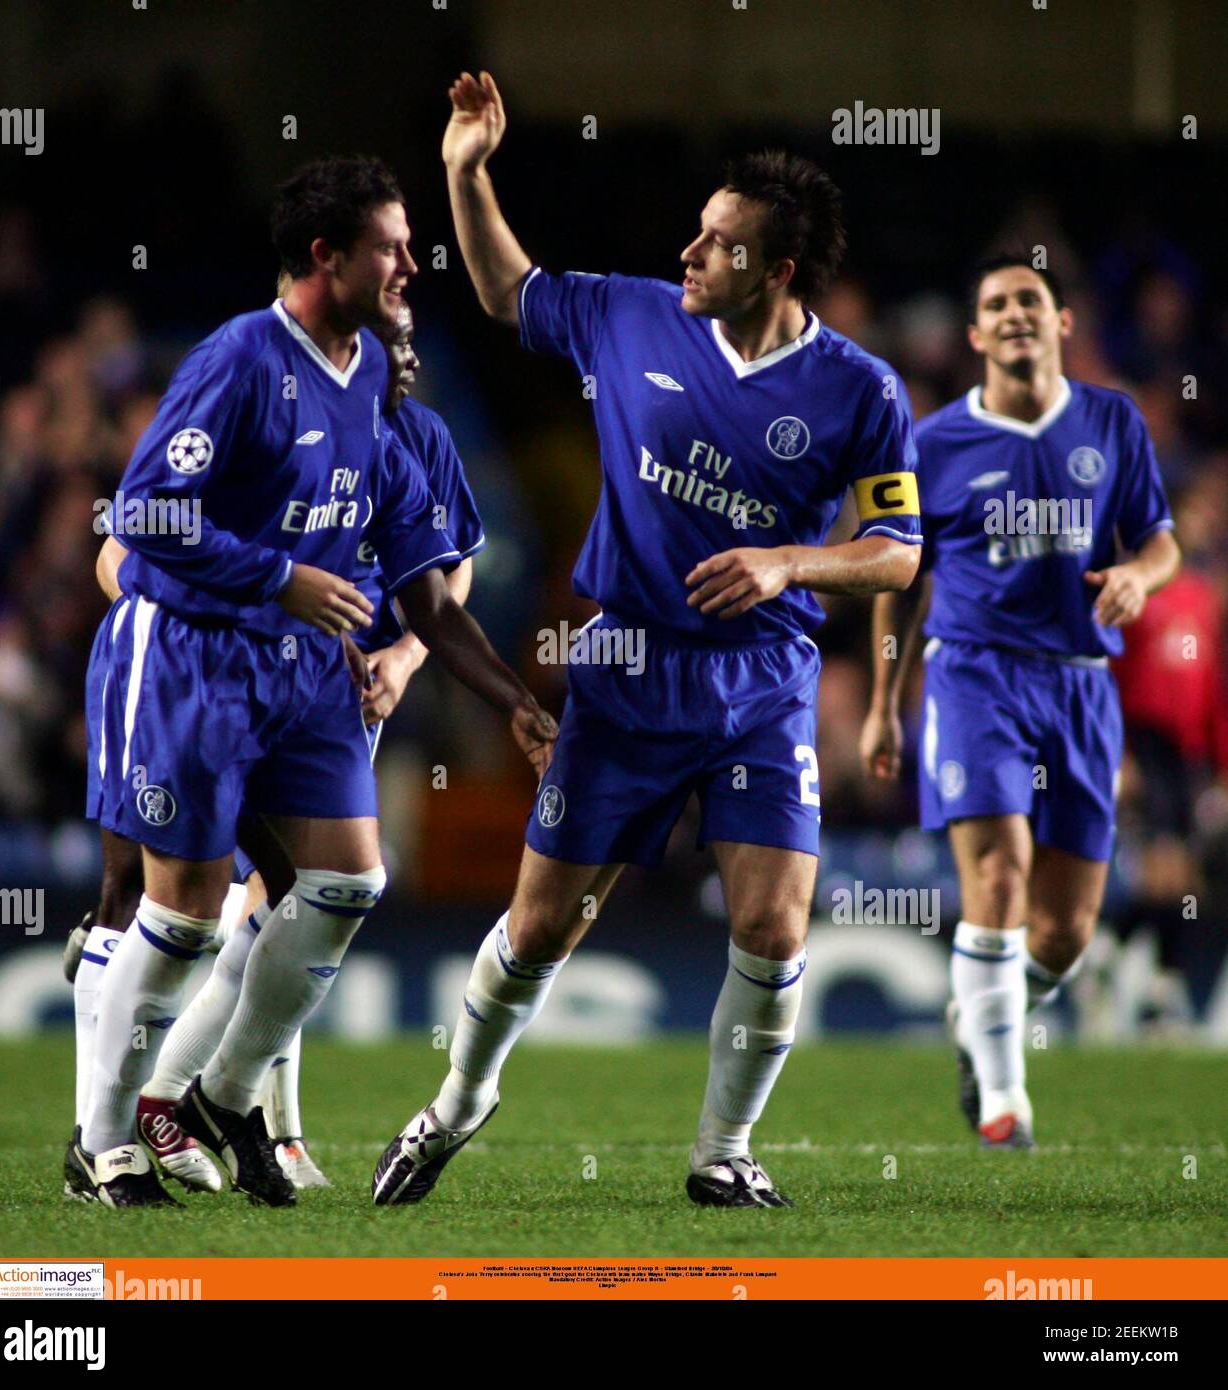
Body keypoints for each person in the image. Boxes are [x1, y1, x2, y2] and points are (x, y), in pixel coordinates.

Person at [370, 73, 921, 1211]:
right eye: (696, 230)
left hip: (760, 679)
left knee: (770, 924)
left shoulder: (857, 390)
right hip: (625, 665)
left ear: (772, 270)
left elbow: (898, 550)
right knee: (535, 933)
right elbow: (505, 288)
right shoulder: (627, 315)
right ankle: (455, 1105)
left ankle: (723, 1150)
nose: (689, 250)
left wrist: (787, 562)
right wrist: (466, 170)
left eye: (716, 244)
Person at [74, 153, 556, 1209]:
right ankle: (103, 1140)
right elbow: (146, 513)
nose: (409, 265)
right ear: (326, 256)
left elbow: (431, 597)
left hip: (302, 675)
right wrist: (278, 577)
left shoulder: (370, 390)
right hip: (194, 656)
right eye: (390, 246)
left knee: (346, 879)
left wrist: (517, 701)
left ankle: (222, 1093)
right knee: (185, 915)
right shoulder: (240, 357)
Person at [135, 298, 486, 1191]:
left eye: (410, 344)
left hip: (336, 693)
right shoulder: (268, 396)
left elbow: (454, 565)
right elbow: (140, 528)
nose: (399, 357)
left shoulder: (422, 437)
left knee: (290, 899)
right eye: (386, 340)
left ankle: (232, 1116)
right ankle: (157, 1110)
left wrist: (406, 659)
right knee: (209, 901)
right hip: (219, 668)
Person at [861, 255, 1180, 1147]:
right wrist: (886, 701)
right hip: (974, 673)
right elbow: (898, 575)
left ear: (1061, 323)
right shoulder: (930, 443)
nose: (1013, 315)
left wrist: (1138, 578)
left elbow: (1160, 540)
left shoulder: (1112, 422)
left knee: (1068, 931)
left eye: (1029, 302)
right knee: (995, 875)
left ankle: (981, 1013)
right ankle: (1005, 1099)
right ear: (974, 335)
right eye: (995, 304)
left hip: (1080, 682)